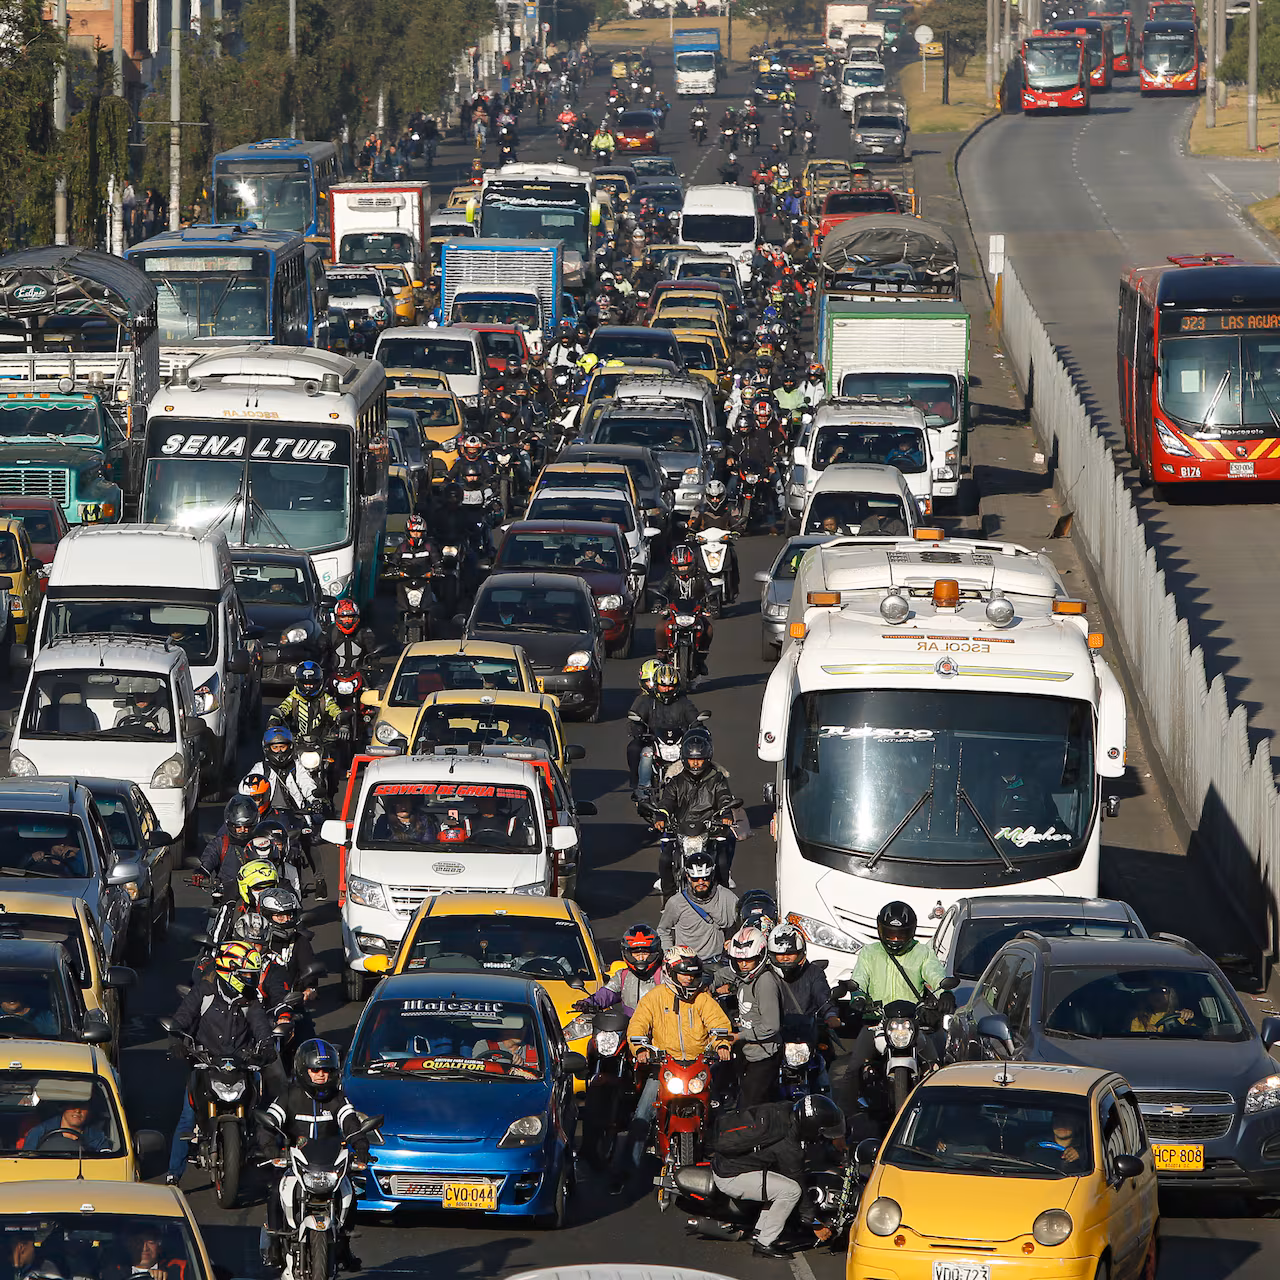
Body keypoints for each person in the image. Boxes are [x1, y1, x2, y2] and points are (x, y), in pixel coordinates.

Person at [617, 946, 733, 1192]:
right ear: (670, 972)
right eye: (683, 974)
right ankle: (626, 1173)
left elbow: (719, 1024)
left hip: (698, 1068)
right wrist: (641, 1049)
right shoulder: (655, 997)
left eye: (692, 975)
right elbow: (637, 1027)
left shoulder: (702, 998)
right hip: (664, 1068)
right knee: (641, 1116)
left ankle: (729, 1171)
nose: (688, 979)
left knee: (722, 1114)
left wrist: (722, 1044)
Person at [166, 941, 280, 1185]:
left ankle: (273, 1163)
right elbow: (182, 1018)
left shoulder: (250, 1000)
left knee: (264, 1108)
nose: (251, 979)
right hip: (205, 1062)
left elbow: (261, 1027)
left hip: (240, 1064)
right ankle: (173, 1175)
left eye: (253, 975)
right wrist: (177, 1040)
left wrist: (267, 1047)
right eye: (246, 975)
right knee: (187, 1118)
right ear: (229, 971)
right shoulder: (204, 991)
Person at [260, 1040, 367, 1272]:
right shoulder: (288, 1096)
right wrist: (270, 1150)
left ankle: (344, 1246)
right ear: (302, 1069)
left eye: (326, 1070)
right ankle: (275, 1244)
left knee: (350, 1191)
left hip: (329, 1164)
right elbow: (267, 1125)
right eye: (315, 1069)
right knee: (275, 1192)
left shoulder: (338, 1098)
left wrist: (361, 1148)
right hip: (295, 1163)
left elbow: (351, 1124)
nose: (321, 1075)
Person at [839, 901, 953, 1116]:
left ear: (911, 933)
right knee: (853, 1070)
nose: (895, 940)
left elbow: (935, 974)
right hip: (876, 1021)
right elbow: (859, 979)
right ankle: (844, 1125)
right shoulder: (869, 953)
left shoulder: (922, 953)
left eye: (901, 935)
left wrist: (944, 992)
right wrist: (857, 995)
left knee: (935, 1066)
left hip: (912, 1023)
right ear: (880, 931)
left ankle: (939, 1118)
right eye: (890, 934)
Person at [709, 1095, 843, 1257]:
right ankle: (765, 1243)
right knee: (791, 1191)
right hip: (731, 1177)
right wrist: (814, 1223)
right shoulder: (789, 1146)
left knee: (780, 1183)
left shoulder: (785, 1108)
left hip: (726, 1163)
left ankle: (759, 1232)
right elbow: (798, 1183)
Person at [652, 728, 738, 894]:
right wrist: (661, 815)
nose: (696, 763)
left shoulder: (717, 779)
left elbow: (724, 798)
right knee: (665, 858)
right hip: (681, 829)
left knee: (721, 861)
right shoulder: (676, 781)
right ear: (685, 759)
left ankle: (722, 895)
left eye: (699, 759)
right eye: (692, 760)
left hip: (709, 829)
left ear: (707, 759)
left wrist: (725, 813)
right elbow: (667, 800)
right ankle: (669, 898)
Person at [725, 926, 783, 1108]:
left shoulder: (765, 982)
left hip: (764, 1056)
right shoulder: (745, 979)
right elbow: (721, 975)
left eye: (749, 960)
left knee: (750, 1108)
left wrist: (739, 1036)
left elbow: (771, 1026)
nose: (743, 965)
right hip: (748, 1054)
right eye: (739, 960)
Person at [627, 661, 702, 797]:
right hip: (653, 741)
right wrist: (638, 731)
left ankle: (697, 789)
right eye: (663, 686)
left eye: (670, 687)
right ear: (656, 685)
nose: (667, 689)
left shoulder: (684, 702)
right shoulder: (646, 701)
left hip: (678, 742)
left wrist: (698, 729)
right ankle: (642, 788)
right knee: (643, 753)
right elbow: (635, 720)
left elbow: (695, 719)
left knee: (696, 754)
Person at [656, 854, 738, 960]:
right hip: (686, 963)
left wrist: (731, 938)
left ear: (712, 876)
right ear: (688, 877)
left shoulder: (728, 897)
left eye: (705, 878)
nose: (700, 882)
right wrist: (669, 955)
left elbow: (741, 922)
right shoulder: (676, 902)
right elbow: (663, 930)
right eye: (696, 879)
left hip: (719, 961)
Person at [575, 923, 663, 1017]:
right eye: (636, 953)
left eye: (645, 952)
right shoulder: (622, 976)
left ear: (654, 952)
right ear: (627, 953)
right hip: (630, 1028)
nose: (641, 958)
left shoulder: (665, 975)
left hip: (660, 1028)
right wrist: (589, 1003)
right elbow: (607, 993)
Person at [270, 662, 342, 754]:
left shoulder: (325, 698)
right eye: (305, 684)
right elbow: (282, 708)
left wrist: (343, 722)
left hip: (322, 743)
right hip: (296, 743)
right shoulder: (293, 698)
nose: (308, 687)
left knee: (338, 758)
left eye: (311, 684)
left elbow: (335, 710)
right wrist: (273, 722)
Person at [251, 725, 321, 815]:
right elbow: (247, 786)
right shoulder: (261, 767)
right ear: (268, 749)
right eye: (275, 747)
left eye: (282, 747)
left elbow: (307, 783)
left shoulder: (296, 766)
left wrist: (315, 800)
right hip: (265, 815)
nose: (279, 751)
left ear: (289, 747)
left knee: (319, 820)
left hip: (295, 815)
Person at [21, 1101, 111, 1152]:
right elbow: (27, 1163)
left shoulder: (97, 1136)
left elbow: (107, 1161)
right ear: (64, 1107)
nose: (77, 1111)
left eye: (83, 1106)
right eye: (73, 1105)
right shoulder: (39, 1132)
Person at [1130, 982, 1195, 1032]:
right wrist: (1147, 1033)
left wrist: (1188, 1016)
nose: (1157, 995)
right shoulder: (1139, 1020)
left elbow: (1195, 1034)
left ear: (1171, 994)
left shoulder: (1180, 1017)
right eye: (1153, 991)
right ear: (1148, 996)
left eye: (1163, 990)